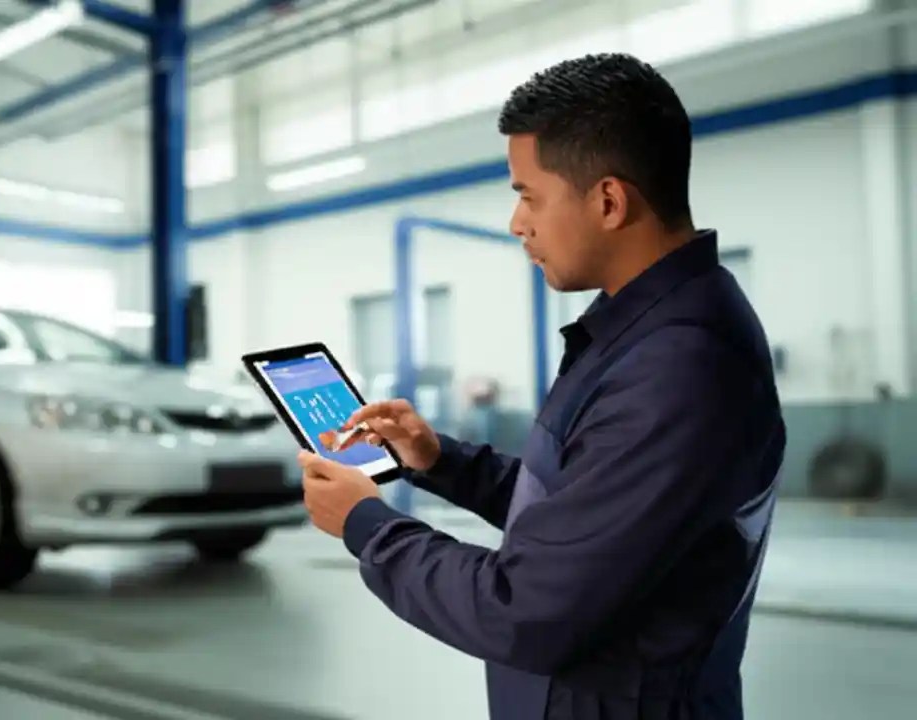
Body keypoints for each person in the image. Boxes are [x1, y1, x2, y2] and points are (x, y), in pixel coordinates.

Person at [302, 53, 785, 720]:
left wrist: (367, 524)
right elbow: (578, 513)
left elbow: (523, 611)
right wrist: (439, 460)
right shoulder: (643, 329)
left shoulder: (678, 365)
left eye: (528, 195)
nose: (517, 223)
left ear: (609, 201)